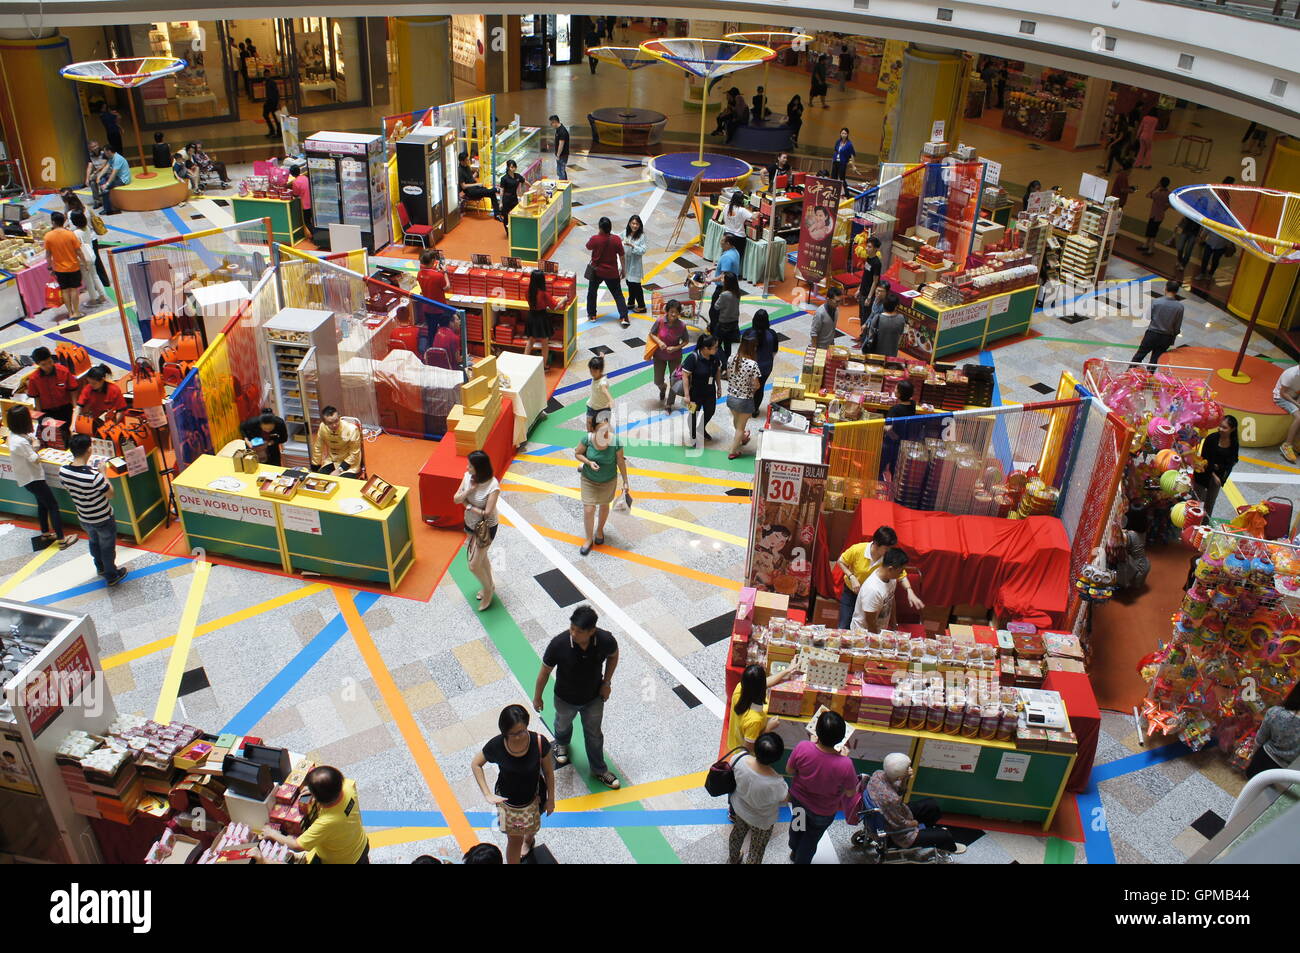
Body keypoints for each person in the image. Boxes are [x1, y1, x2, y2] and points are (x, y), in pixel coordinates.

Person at [533, 604, 620, 789]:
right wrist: (537, 697)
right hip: (565, 699)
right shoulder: (559, 644)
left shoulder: (605, 640)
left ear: (591, 631)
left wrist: (607, 682)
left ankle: (599, 770)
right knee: (562, 725)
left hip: (594, 698)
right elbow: (544, 672)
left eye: (579, 631)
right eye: (571, 628)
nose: (573, 633)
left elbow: (613, 655)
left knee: (594, 734)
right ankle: (561, 744)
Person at [473, 704, 554, 864]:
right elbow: (476, 764)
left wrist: (551, 798)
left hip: (534, 796)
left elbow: (549, 772)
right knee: (514, 840)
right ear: (505, 733)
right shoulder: (496, 745)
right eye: (513, 734)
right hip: (509, 802)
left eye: (522, 731)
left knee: (532, 827)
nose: (520, 736)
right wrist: (487, 794)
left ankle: (529, 840)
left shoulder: (538, 742)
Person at [786, 709, 857, 863]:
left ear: (816, 731)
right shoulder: (845, 764)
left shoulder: (803, 747)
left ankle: (794, 849)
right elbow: (850, 793)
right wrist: (842, 759)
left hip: (799, 801)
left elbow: (790, 770)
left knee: (797, 828)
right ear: (841, 738)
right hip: (823, 812)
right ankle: (801, 860)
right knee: (811, 839)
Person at [263, 766, 370, 863]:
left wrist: (272, 833)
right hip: (361, 844)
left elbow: (297, 846)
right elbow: (330, 786)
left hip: (343, 860)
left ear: (317, 799)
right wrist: (315, 790)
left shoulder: (326, 822)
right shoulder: (347, 788)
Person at [5, 405, 76, 550]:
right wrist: (36, 446)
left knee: (42, 504)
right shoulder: (20, 442)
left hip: (29, 477)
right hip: (33, 478)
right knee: (53, 506)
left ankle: (45, 533)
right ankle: (62, 540)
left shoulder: (15, 436)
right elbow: (34, 459)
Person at [60, 433, 127, 586]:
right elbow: (110, 494)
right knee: (107, 546)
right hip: (103, 517)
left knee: (94, 542)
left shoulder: (63, 471)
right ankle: (112, 575)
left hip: (84, 517)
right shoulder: (94, 477)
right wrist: (104, 474)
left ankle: (100, 567)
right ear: (89, 449)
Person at [866, 753, 964, 855]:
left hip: (890, 813)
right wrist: (915, 823)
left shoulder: (878, 774)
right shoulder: (891, 799)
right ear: (899, 776)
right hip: (896, 835)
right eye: (907, 768)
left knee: (931, 805)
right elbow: (899, 825)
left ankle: (928, 832)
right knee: (945, 836)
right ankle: (946, 847)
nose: (910, 768)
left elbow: (899, 791)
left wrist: (904, 778)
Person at [835, 526, 923, 629]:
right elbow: (841, 561)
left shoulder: (887, 557)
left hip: (873, 597)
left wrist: (909, 591)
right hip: (852, 593)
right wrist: (851, 576)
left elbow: (901, 574)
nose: (889, 550)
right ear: (876, 544)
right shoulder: (858, 549)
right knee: (844, 625)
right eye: (886, 548)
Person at [728, 732, 789, 864]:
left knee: (737, 834)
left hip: (739, 809)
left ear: (756, 747)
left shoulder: (739, 759)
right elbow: (785, 798)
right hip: (762, 821)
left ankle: (733, 859)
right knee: (757, 849)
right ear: (777, 758)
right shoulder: (776, 782)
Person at [454, 449, 500, 612]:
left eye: (471, 466)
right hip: (470, 525)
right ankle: (491, 585)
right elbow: (456, 499)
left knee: (473, 565)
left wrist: (468, 505)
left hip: (486, 528)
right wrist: (469, 491)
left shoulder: (493, 486)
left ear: (480, 469)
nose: (467, 468)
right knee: (482, 558)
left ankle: (488, 591)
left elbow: (487, 512)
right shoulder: (468, 477)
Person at [574, 421, 628, 555]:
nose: (605, 434)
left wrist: (625, 481)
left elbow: (620, 462)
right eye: (601, 431)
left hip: (608, 480)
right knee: (588, 509)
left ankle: (599, 530)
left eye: (606, 431)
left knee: (604, 505)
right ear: (593, 431)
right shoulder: (587, 439)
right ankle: (588, 539)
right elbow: (577, 453)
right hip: (589, 479)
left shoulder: (615, 442)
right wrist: (588, 462)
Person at [728, 663, 801, 751]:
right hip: (741, 754)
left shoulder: (740, 688)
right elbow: (748, 748)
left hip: (734, 742)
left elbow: (765, 682)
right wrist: (768, 728)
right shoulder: (754, 720)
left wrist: (786, 670)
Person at [1246, 685, 1300, 778]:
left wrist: (1251, 756)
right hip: (1286, 772)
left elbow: (1260, 740)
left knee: (1251, 787)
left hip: (1262, 758)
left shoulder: (1275, 712)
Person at [679, 333, 722, 445]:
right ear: (705, 348)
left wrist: (719, 387)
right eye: (715, 347)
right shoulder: (693, 358)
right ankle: (692, 434)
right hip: (695, 393)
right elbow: (685, 376)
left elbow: (717, 371)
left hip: (709, 391)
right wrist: (687, 395)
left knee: (710, 411)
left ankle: (701, 428)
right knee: (693, 414)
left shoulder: (714, 357)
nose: (717, 349)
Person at [585, 216, 629, 328]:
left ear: (600, 227)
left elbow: (588, 247)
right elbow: (622, 256)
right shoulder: (616, 239)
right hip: (612, 272)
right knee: (618, 295)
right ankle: (624, 317)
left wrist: (595, 236)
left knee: (592, 293)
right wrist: (623, 270)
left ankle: (592, 315)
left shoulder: (595, 238)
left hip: (596, 272)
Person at [853, 546, 909, 632]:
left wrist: (894, 624)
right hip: (864, 633)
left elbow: (891, 598)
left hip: (879, 629)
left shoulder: (891, 578)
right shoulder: (873, 590)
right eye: (900, 571)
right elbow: (870, 623)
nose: (901, 574)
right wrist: (878, 641)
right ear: (890, 569)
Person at [22, 346, 79, 429]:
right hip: (48, 413)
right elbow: (36, 398)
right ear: (38, 364)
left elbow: (73, 390)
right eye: (44, 364)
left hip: (65, 409)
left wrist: (75, 409)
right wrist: (40, 414)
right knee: (53, 437)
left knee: (68, 431)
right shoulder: (34, 378)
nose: (48, 366)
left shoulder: (63, 371)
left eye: (50, 362)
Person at [1132, 280, 1184, 370]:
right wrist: (1172, 339)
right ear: (1176, 291)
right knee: (1154, 361)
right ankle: (1148, 380)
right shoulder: (1180, 307)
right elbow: (1177, 326)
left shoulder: (1156, 302)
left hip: (1152, 334)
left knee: (1139, 355)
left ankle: (1127, 374)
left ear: (1166, 288)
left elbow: (1148, 317)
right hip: (1166, 338)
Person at [1193, 414, 1238, 519]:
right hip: (1203, 474)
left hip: (1218, 477)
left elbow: (1233, 460)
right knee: (1196, 501)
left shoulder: (1234, 442)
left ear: (1233, 429)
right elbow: (1204, 460)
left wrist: (1221, 474)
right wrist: (1214, 473)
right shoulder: (1211, 439)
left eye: (1225, 427)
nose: (1221, 429)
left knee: (1210, 503)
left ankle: (1205, 525)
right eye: (1220, 426)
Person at [726, 332, 762, 460]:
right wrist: (752, 390)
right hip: (744, 400)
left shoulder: (731, 358)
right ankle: (733, 451)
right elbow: (756, 385)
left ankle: (742, 437)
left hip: (730, 397)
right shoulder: (752, 365)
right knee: (740, 427)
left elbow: (729, 376)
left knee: (736, 421)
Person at [648, 299, 689, 407]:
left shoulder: (682, 326)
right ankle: (663, 388)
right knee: (657, 380)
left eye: (676, 312)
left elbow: (686, 341)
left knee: (674, 382)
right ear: (667, 311)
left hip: (675, 356)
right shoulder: (660, 321)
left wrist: (676, 348)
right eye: (671, 311)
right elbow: (652, 333)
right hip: (659, 355)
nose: (674, 314)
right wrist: (660, 342)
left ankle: (669, 404)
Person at [44, 211, 83, 320]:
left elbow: (48, 255)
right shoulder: (70, 234)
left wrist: (50, 267)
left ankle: (70, 312)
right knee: (74, 289)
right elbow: (78, 251)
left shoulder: (48, 236)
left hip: (59, 268)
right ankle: (76, 312)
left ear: (53, 222)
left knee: (65, 290)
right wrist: (84, 262)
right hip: (73, 266)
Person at [880, 379, 919, 478]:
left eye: (896, 388)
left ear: (900, 394)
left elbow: (888, 428)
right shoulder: (912, 404)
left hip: (891, 444)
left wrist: (893, 437)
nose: (894, 390)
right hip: (904, 443)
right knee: (896, 470)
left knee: (880, 467)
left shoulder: (895, 410)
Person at [69, 211, 108, 307]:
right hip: (91, 255)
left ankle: (93, 298)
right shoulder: (86, 229)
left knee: (88, 279)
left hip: (83, 258)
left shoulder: (75, 233)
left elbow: (76, 248)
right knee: (95, 276)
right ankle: (103, 295)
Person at [72, 365, 126, 435]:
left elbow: (121, 411)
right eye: (89, 382)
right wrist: (73, 425)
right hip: (96, 422)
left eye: (94, 383)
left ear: (102, 380)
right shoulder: (88, 388)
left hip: (114, 422)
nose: (91, 385)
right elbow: (79, 407)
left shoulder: (114, 390)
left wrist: (112, 425)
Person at [310, 406, 362, 478]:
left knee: (342, 483)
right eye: (330, 423)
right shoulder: (322, 427)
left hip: (350, 464)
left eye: (336, 421)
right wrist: (315, 467)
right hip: (332, 460)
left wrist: (339, 470)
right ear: (324, 423)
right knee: (321, 479)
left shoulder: (352, 429)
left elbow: (354, 453)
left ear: (339, 417)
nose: (334, 425)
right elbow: (318, 447)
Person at [524, 268, 561, 364]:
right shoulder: (544, 293)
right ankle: (544, 365)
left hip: (531, 316)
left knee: (531, 340)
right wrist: (564, 299)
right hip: (541, 318)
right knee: (544, 342)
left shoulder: (527, 291)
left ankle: (523, 362)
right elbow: (554, 306)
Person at [415, 249, 448, 352]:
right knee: (444, 332)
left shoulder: (419, 274)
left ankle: (431, 351)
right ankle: (442, 351)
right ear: (434, 261)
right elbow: (447, 287)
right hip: (440, 309)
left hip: (427, 308)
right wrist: (445, 273)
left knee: (431, 331)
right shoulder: (438, 276)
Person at [751, 308, 779, 418]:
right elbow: (774, 351)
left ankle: (745, 407)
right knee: (760, 388)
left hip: (750, 367)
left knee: (748, 386)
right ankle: (755, 409)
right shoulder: (772, 334)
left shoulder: (749, 333)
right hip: (766, 367)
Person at [457, 152, 501, 219]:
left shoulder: (467, 167)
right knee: (491, 191)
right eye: (467, 160)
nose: (468, 161)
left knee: (491, 193)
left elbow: (470, 178)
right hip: (470, 192)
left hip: (475, 188)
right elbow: (463, 186)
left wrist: (477, 172)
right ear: (462, 161)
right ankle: (496, 190)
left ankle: (497, 215)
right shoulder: (460, 171)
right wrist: (477, 184)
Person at [714, 271, 742, 368]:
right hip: (733, 323)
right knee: (727, 344)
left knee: (715, 344)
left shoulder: (724, 294)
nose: (722, 280)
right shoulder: (737, 292)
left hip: (723, 323)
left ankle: (724, 363)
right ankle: (727, 366)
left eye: (723, 279)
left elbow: (716, 306)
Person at [1137, 177, 1172, 254]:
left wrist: (1155, 187)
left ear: (1160, 183)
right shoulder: (1169, 194)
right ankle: (1146, 245)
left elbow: (1147, 195)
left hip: (1154, 215)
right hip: (1160, 215)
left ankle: (1150, 249)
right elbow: (1171, 204)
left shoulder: (1158, 194)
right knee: (1152, 231)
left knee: (1152, 233)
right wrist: (1164, 208)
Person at [1274, 363, 1300, 463]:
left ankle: (1297, 444)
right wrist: (1296, 404)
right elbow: (1282, 393)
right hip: (1282, 398)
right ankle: (1287, 445)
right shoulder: (1291, 374)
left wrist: (1298, 401)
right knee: (1299, 417)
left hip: (1294, 397)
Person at [623, 214, 647, 314]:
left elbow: (643, 250)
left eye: (637, 224)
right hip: (627, 263)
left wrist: (632, 246)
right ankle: (631, 302)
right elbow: (617, 237)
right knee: (629, 283)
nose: (635, 226)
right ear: (629, 223)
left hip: (635, 264)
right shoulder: (625, 233)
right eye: (633, 223)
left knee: (636, 285)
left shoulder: (642, 236)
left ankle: (642, 306)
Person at [98, 145, 132, 216]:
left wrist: (107, 184)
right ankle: (104, 192)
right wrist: (98, 177)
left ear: (109, 151)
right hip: (117, 177)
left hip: (123, 180)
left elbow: (113, 173)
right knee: (102, 179)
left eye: (105, 152)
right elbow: (106, 168)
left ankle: (107, 209)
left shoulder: (117, 159)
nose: (104, 154)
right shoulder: (112, 158)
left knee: (105, 186)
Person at [722, 191, 753, 261]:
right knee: (737, 258)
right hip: (739, 238)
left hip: (727, 234)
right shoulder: (742, 210)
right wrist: (758, 213)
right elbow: (753, 217)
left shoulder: (726, 206)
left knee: (726, 256)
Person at [856, 235, 883, 314]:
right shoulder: (868, 258)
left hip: (868, 294)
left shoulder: (877, 263)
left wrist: (869, 297)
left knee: (866, 316)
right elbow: (865, 275)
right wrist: (859, 289)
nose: (866, 248)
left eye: (869, 247)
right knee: (861, 315)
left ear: (876, 249)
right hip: (862, 291)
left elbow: (875, 281)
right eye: (867, 246)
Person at [874, 292, 905, 358]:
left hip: (876, 351)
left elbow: (870, 334)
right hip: (892, 352)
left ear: (883, 304)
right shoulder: (901, 318)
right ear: (896, 306)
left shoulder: (877, 317)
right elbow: (901, 333)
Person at [586, 354, 613, 431]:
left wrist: (611, 400)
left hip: (603, 409)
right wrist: (601, 358)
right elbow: (600, 363)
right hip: (591, 407)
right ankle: (590, 440)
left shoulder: (602, 382)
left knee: (604, 430)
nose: (592, 373)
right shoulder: (596, 376)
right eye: (591, 370)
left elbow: (605, 390)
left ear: (601, 370)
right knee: (589, 426)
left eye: (594, 371)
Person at [498, 158, 525, 233]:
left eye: (514, 167)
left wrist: (526, 189)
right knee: (506, 217)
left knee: (516, 213)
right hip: (506, 199)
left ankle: (515, 230)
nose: (513, 168)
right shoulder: (504, 178)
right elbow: (501, 190)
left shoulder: (517, 176)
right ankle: (508, 232)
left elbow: (524, 181)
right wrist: (501, 202)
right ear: (508, 168)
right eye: (511, 167)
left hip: (514, 198)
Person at [85, 141, 108, 210]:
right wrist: (87, 179)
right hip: (98, 172)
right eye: (93, 147)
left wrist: (94, 173)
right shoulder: (91, 155)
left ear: (98, 145)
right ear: (90, 149)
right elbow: (89, 167)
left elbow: (104, 165)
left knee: (98, 180)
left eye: (96, 146)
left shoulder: (104, 153)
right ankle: (97, 201)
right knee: (92, 182)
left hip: (107, 171)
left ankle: (105, 201)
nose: (95, 148)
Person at [288, 164, 312, 229]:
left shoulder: (295, 182)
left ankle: (314, 235)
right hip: (312, 202)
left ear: (292, 174)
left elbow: (295, 194)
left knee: (307, 222)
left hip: (306, 205)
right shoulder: (305, 177)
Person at [549, 115, 570, 180]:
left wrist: (558, 155)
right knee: (560, 171)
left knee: (561, 171)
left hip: (562, 155)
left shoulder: (562, 131)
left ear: (555, 122)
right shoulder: (558, 129)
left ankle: (563, 185)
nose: (551, 124)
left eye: (551, 123)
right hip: (560, 154)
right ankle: (563, 183)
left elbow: (561, 144)